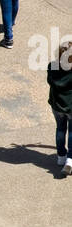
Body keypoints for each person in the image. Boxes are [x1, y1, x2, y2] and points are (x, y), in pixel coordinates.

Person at [48, 40, 72, 176]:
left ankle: (61, 156)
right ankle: (70, 158)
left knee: (60, 129)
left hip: (57, 105)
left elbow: (50, 81)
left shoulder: (52, 66)